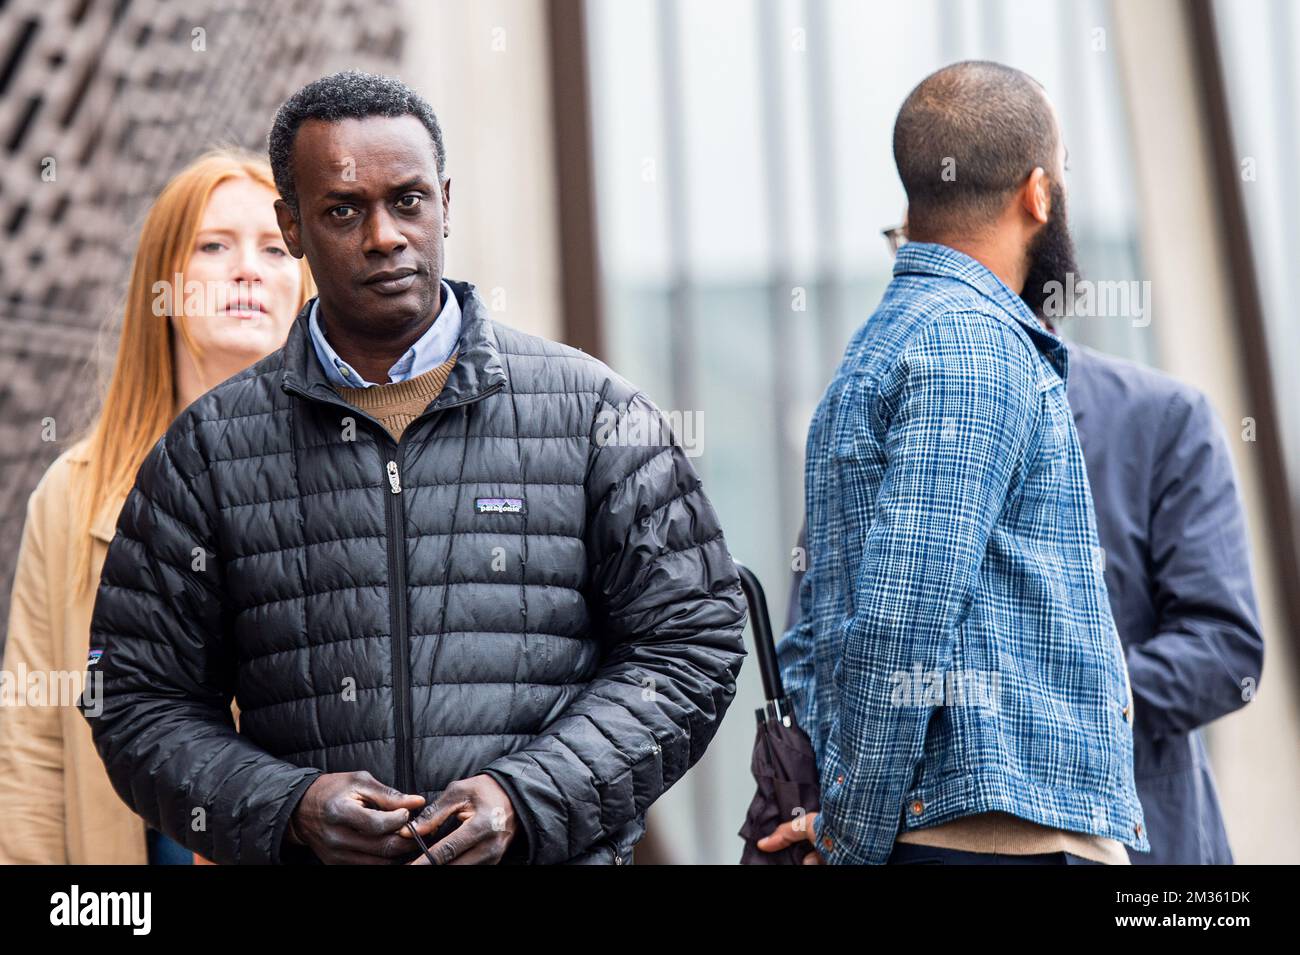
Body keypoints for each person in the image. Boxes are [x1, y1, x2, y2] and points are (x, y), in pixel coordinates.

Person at [77, 70, 747, 866]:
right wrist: (290, 808)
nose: (385, 236)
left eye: (408, 200)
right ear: (292, 227)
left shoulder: (594, 412)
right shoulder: (207, 450)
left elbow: (691, 645)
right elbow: (135, 700)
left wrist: (525, 798)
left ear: (446, 203)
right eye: (343, 211)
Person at [761, 61, 1147, 865]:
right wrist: (851, 837)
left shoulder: (890, 343)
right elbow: (902, 617)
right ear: (1038, 194)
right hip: (993, 844)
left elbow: (826, 621)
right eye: (1064, 170)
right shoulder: (971, 344)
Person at [0, 149, 313, 864]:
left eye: (274, 248)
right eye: (214, 246)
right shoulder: (73, 492)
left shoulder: (357, 470)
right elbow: (33, 746)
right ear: (163, 283)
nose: (248, 269)